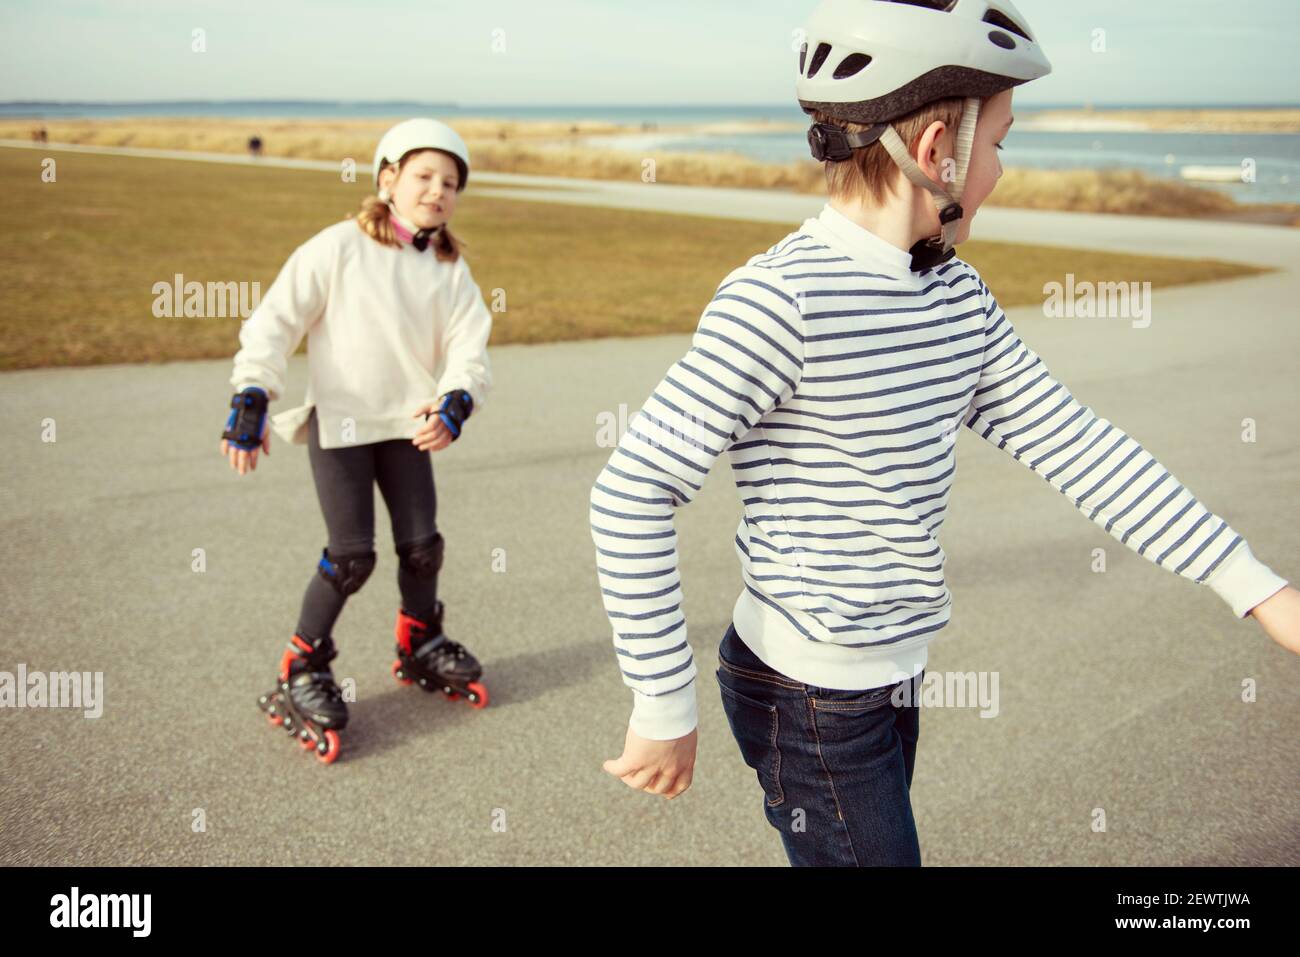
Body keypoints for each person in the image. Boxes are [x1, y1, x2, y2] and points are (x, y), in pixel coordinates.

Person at [588, 0, 1298, 864]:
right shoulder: (783, 302)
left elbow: (1079, 446)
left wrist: (1256, 586)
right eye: (999, 142)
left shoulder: (954, 299)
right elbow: (631, 491)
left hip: (891, 671)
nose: (1002, 166)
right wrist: (662, 705)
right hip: (806, 692)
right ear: (935, 153)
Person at [221, 118, 494, 764]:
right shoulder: (338, 247)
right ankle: (301, 663)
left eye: (451, 182)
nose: (438, 191)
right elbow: (273, 322)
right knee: (351, 557)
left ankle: (420, 639)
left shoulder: (450, 268)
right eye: (424, 176)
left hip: (407, 426)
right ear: (387, 178)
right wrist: (252, 396)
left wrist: (456, 401)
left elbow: (469, 349)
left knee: (423, 548)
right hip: (340, 426)